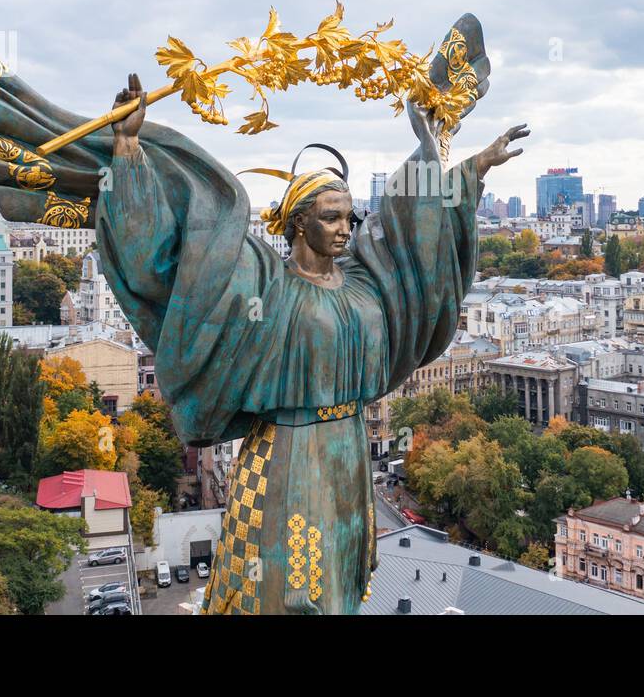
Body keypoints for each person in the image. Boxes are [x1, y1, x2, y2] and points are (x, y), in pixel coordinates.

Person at [98, 72, 527, 614]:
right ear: (299, 224)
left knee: (340, 586)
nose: (345, 228)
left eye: (349, 217)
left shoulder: (365, 282)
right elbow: (170, 266)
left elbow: (411, 239)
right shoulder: (264, 286)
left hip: (347, 450)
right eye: (331, 217)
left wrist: (470, 170)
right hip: (287, 454)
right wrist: (129, 148)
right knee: (290, 589)